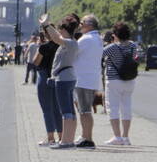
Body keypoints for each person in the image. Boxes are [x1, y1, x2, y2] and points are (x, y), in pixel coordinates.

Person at [39, 13, 81, 148]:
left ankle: (65, 141)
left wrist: (46, 24)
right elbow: (57, 36)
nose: (59, 32)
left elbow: (56, 37)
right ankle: (68, 140)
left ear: (65, 30)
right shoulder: (71, 43)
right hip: (67, 78)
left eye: (61, 29)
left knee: (66, 112)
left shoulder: (68, 43)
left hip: (63, 79)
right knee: (70, 112)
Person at [102, 22, 141, 145]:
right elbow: (135, 58)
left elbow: (100, 56)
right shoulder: (133, 46)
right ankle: (126, 137)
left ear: (115, 35)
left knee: (112, 107)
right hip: (129, 80)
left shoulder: (111, 48)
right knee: (126, 107)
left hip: (114, 80)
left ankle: (117, 137)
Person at [71, 14, 104, 149]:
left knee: (84, 111)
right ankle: (85, 136)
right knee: (85, 110)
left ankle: (88, 138)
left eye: (82, 23)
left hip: (83, 79)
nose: (80, 26)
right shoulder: (97, 38)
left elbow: (72, 52)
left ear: (89, 25)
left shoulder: (86, 39)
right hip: (90, 78)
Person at [32, 30, 61, 145]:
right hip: (57, 77)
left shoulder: (43, 47)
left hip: (44, 77)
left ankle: (50, 138)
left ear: (44, 36)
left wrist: (40, 46)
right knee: (57, 109)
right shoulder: (61, 46)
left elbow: (36, 62)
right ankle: (61, 135)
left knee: (47, 109)